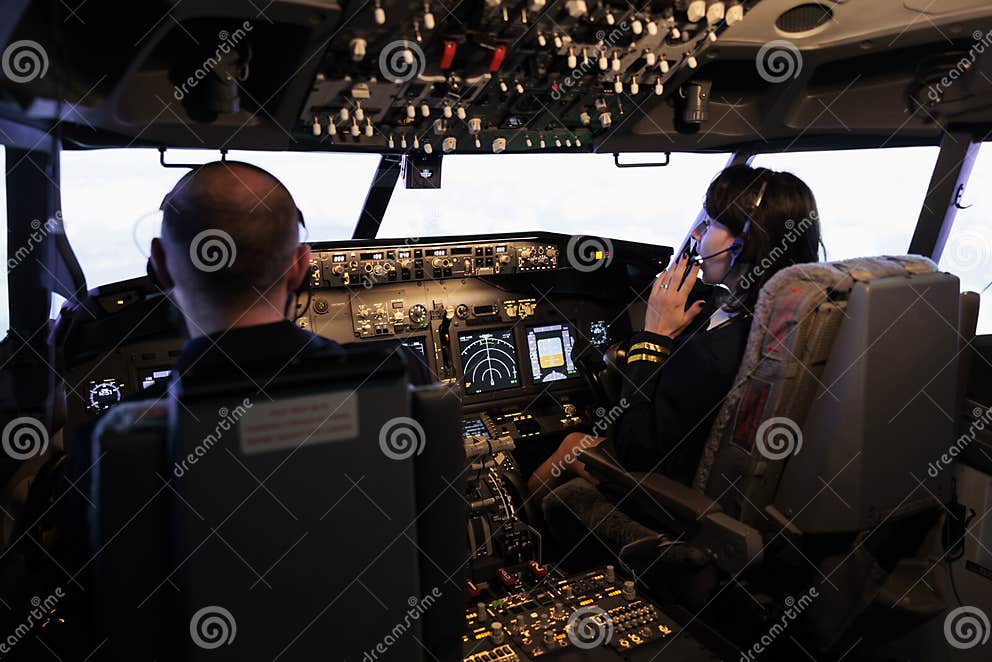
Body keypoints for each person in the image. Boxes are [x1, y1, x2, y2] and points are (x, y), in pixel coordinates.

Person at [527, 165, 823, 501]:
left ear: (741, 244)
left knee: (571, 445)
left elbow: (634, 451)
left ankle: (516, 541)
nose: (697, 234)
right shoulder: (789, 320)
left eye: (710, 224)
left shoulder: (713, 354)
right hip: (753, 491)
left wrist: (654, 336)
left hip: (683, 501)